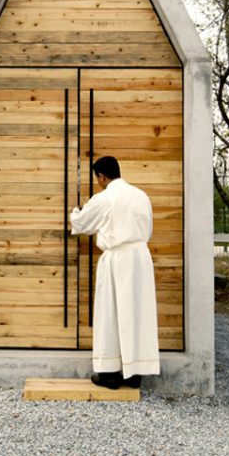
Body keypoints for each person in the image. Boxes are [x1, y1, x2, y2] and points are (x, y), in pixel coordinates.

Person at [70, 156, 160, 389]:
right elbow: (148, 227)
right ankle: (135, 373)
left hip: (118, 258)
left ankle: (109, 374)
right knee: (138, 313)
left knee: (109, 313)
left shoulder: (105, 198)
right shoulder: (141, 196)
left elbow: (82, 223)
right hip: (141, 258)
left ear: (101, 176)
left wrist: (75, 211)